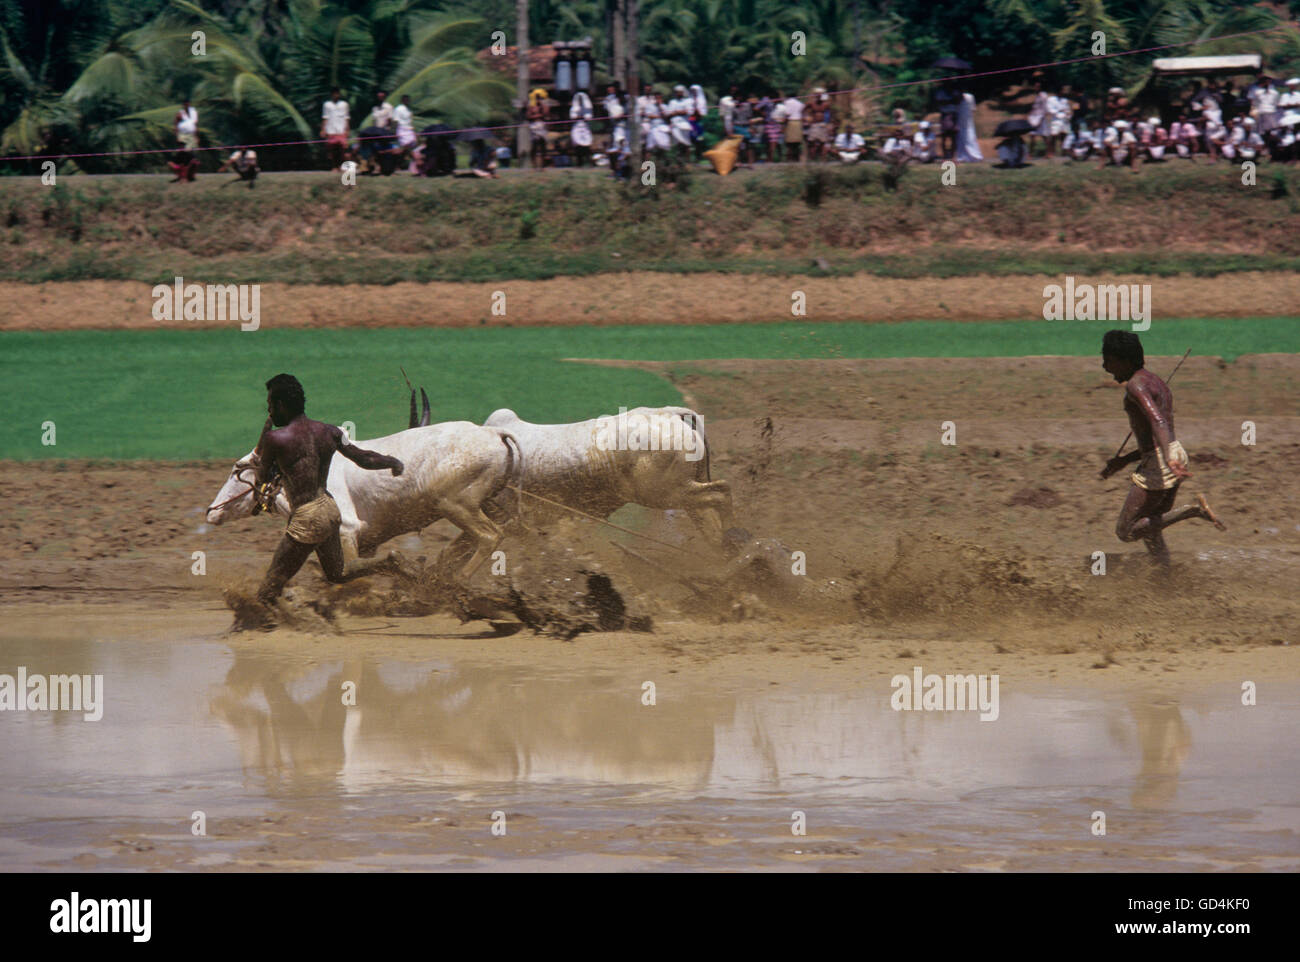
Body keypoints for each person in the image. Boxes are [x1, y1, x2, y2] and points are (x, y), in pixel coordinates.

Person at [251, 374, 409, 612]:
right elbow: (364, 458)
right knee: (339, 572)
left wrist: (265, 437)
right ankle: (389, 563)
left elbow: (261, 478)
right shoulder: (329, 432)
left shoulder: (275, 438)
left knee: (269, 587)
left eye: (271, 406)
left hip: (307, 516)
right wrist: (392, 461)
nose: (270, 412)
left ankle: (277, 632)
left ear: (281, 405)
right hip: (329, 508)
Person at [1097, 332, 1224, 567]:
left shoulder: (1136, 385)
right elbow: (1153, 437)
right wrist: (1124, 460)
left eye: (1108, 360)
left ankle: (1192, 511)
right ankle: (1164, 580)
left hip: (1162, 460)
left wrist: (1166, 458)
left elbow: (1158, 422)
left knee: (1126, 531)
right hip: (1172, 454)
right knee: (1151, 529)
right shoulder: (1156, 382)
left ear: (1124, 360)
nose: (1105, 367)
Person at [321, 87, 350, 171]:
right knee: (332, 150)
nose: (336, 95)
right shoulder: (327, 104)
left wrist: (347, 129)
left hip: (341, 129)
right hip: (331, 130)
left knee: (342, 149)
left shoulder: (344, 104)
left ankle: (342, 166)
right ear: (331, 94)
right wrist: (323, 129)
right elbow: (325, 117)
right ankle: (334, 166)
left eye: (337, 93)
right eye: (334, 93)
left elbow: (347, 118)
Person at [955, 91, 983, 162]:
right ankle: (963, 156)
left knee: (970, 138)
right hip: (960, 121)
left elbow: (973, 109)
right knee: (961, 138)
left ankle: (975, 156)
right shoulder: (956, 97)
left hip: (968, 122)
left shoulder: (970, 97)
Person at [781, 88, 805, 162]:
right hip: (798, 122)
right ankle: (796, 159)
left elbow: (787, 114)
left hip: (791, 122)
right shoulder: (800, 103)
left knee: (789, 143)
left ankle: (789, 159)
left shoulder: (787, 102)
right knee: (797, 143)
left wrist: (782, 124)